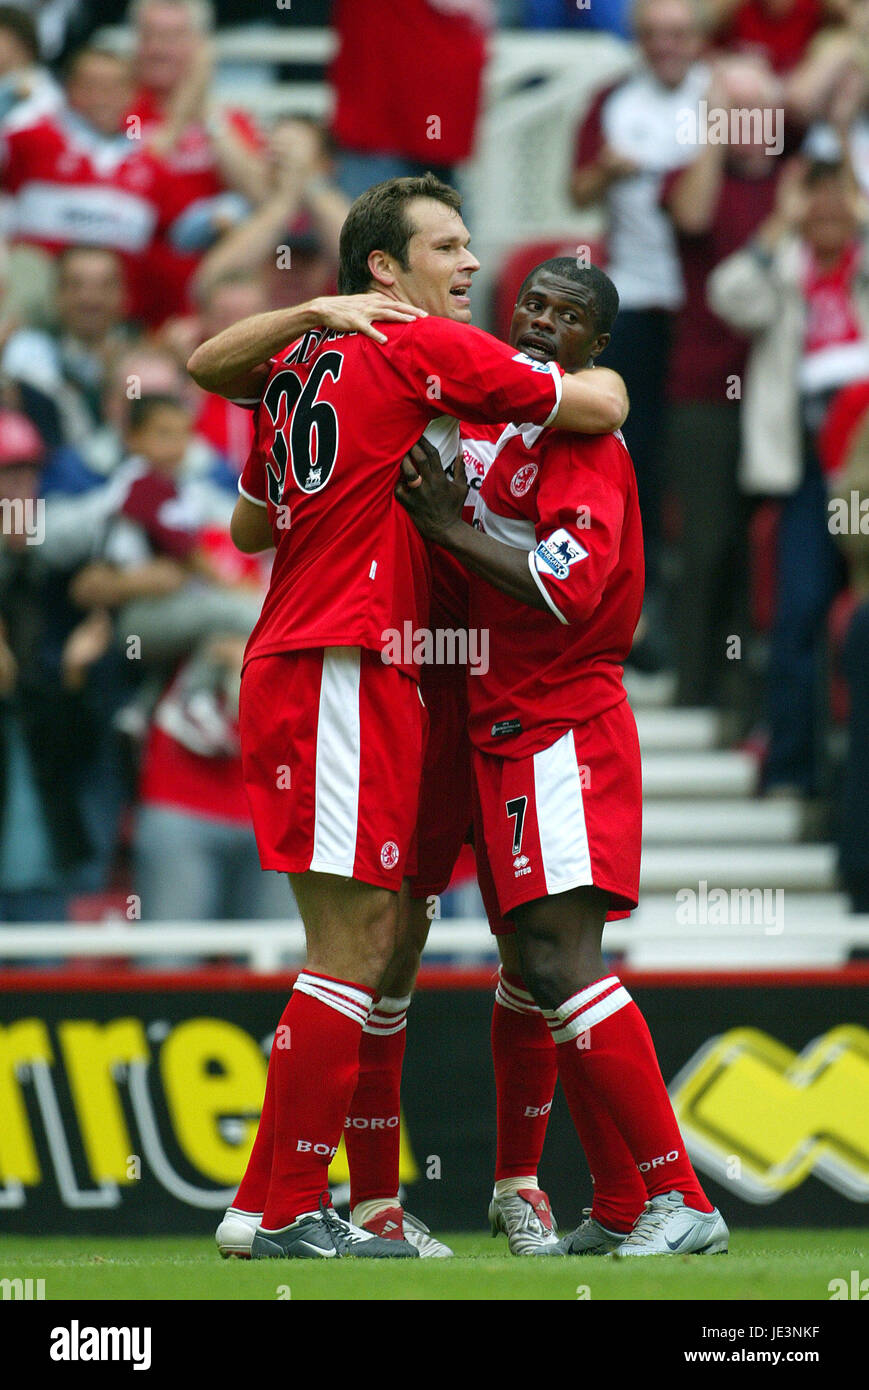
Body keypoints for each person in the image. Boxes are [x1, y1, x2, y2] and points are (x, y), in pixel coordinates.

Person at [188, 172, 628, 1260]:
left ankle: (276, 1199)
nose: (471, 266)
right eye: (448, 246)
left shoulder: (300, 364)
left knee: (369, 937)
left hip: (308, 655)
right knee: (352, 944)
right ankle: (283, 1207)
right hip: (341, 658)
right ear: (383, 271)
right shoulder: (412, 344)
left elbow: (250, 523)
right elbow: (600, 404)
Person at [394, 262, 729, 1259]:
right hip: (506, 722)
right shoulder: (508, 428)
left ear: (595, 349)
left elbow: (564, 587)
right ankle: (623, 1201)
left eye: (569, 315)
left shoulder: (582, 435)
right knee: (533, 970)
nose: (544, 321)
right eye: (534, 304)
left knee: (558, 958)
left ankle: (684, 1199)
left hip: (558, 727)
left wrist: (445, 527)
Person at [570, 0, 709, 654]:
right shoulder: (612, 102)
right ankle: (637, 617)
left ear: (694, 38)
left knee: (703, 468)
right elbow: (577, 190)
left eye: (675, 33)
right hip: (638, 300)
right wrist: (607, 171)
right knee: (635, 463)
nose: (664, 46)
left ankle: (703, 633)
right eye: (652, 34)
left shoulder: (725, 94)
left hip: (713, 310)